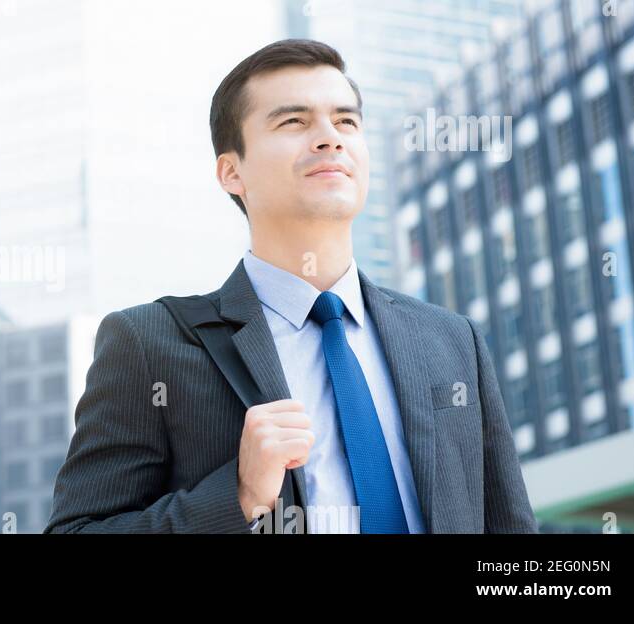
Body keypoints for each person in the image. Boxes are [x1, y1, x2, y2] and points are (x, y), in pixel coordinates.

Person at [44, 39, 537, 534]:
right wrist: (238, 496)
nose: (330, 138)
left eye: (346, 121)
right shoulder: (150, 343)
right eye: (294, 122)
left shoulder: (451, 341)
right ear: (232, 172)